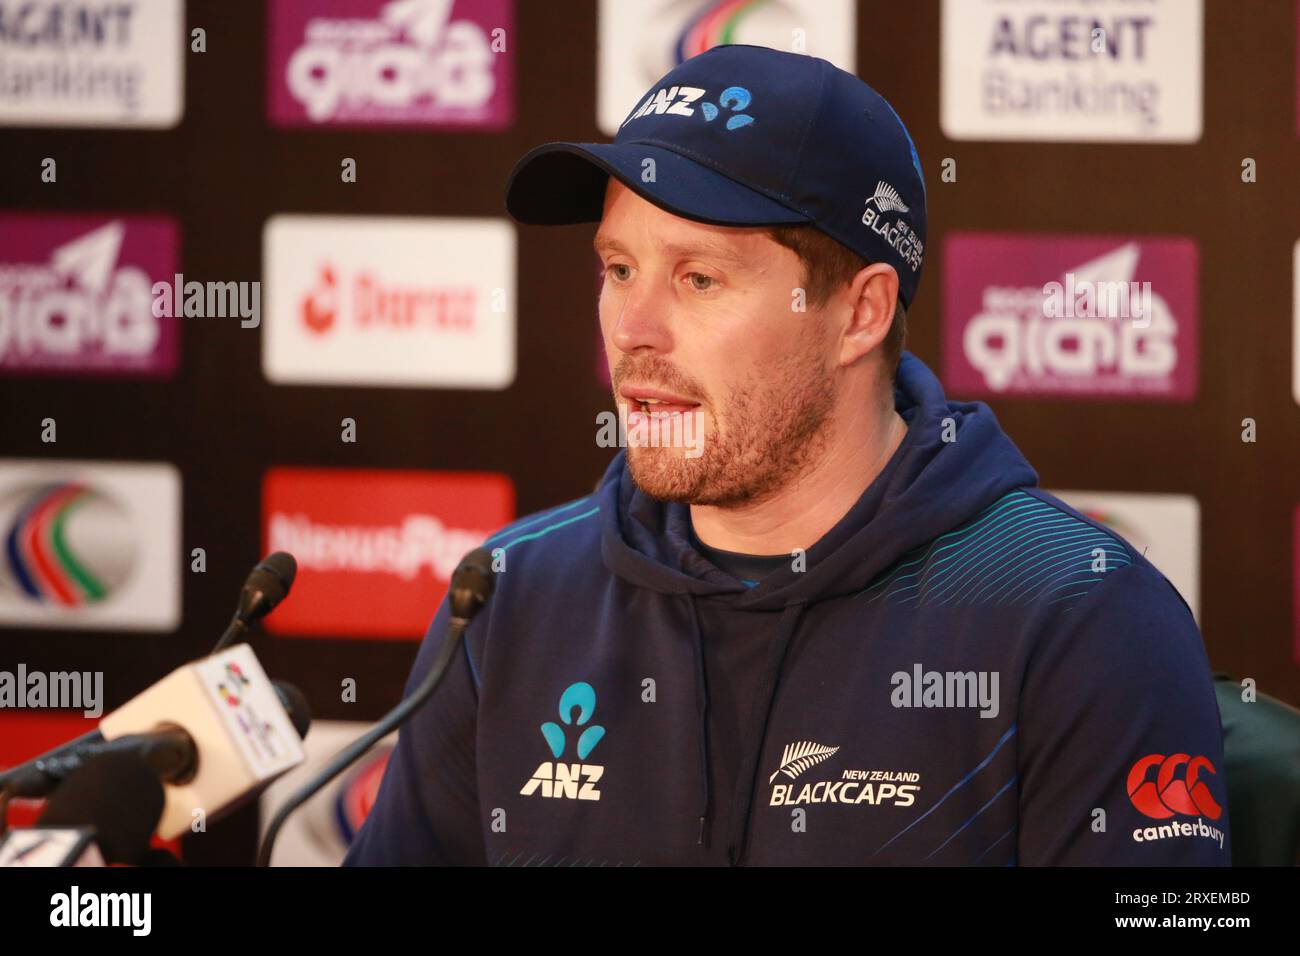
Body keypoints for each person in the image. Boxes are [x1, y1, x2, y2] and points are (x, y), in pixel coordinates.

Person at [344, 44, 1229, 866]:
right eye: (619, 269)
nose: (632, 332)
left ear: (859, 313)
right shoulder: (507, 596)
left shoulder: (1080, 614)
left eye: (699, 278)